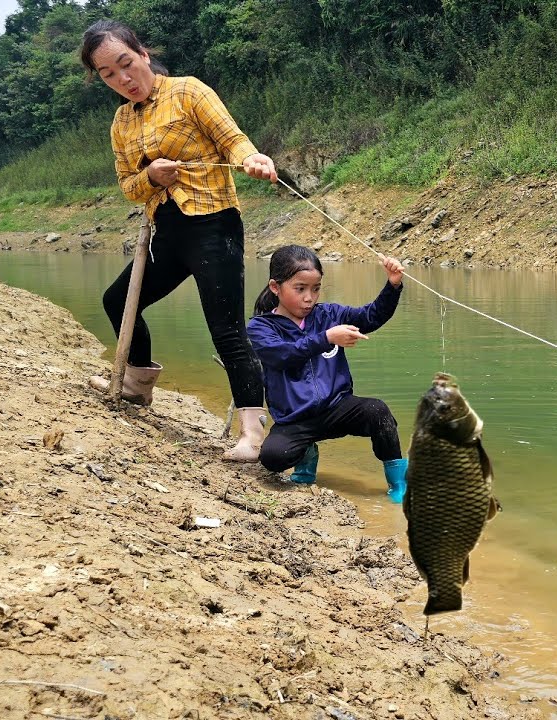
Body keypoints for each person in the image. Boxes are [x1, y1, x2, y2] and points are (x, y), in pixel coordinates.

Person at [79, 20, 275, 462]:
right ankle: (137, 383)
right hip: (165, 233)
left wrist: (252, 158)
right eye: (109, 74)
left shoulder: (188, 91)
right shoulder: (120, 123)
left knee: (226, 328)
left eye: (126, 64)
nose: (123, 79)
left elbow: (233, 141)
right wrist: (151, 176)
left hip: (213, 226)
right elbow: (129, 187)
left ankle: (252, 433)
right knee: (118, 300)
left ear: (143, 54)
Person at [248, 245, 409, 502]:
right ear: (275, 287)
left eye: (315, 289)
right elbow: (282, 355)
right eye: (300, 289)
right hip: (295, 419)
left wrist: (393, 285)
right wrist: (326, 338)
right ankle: (306, 454)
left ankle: (398, 483)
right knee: (273, 457)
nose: (309, 298)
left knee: (378, 411)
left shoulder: (330, 315)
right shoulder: (261, 326)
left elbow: (371, 316)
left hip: (337, 408)